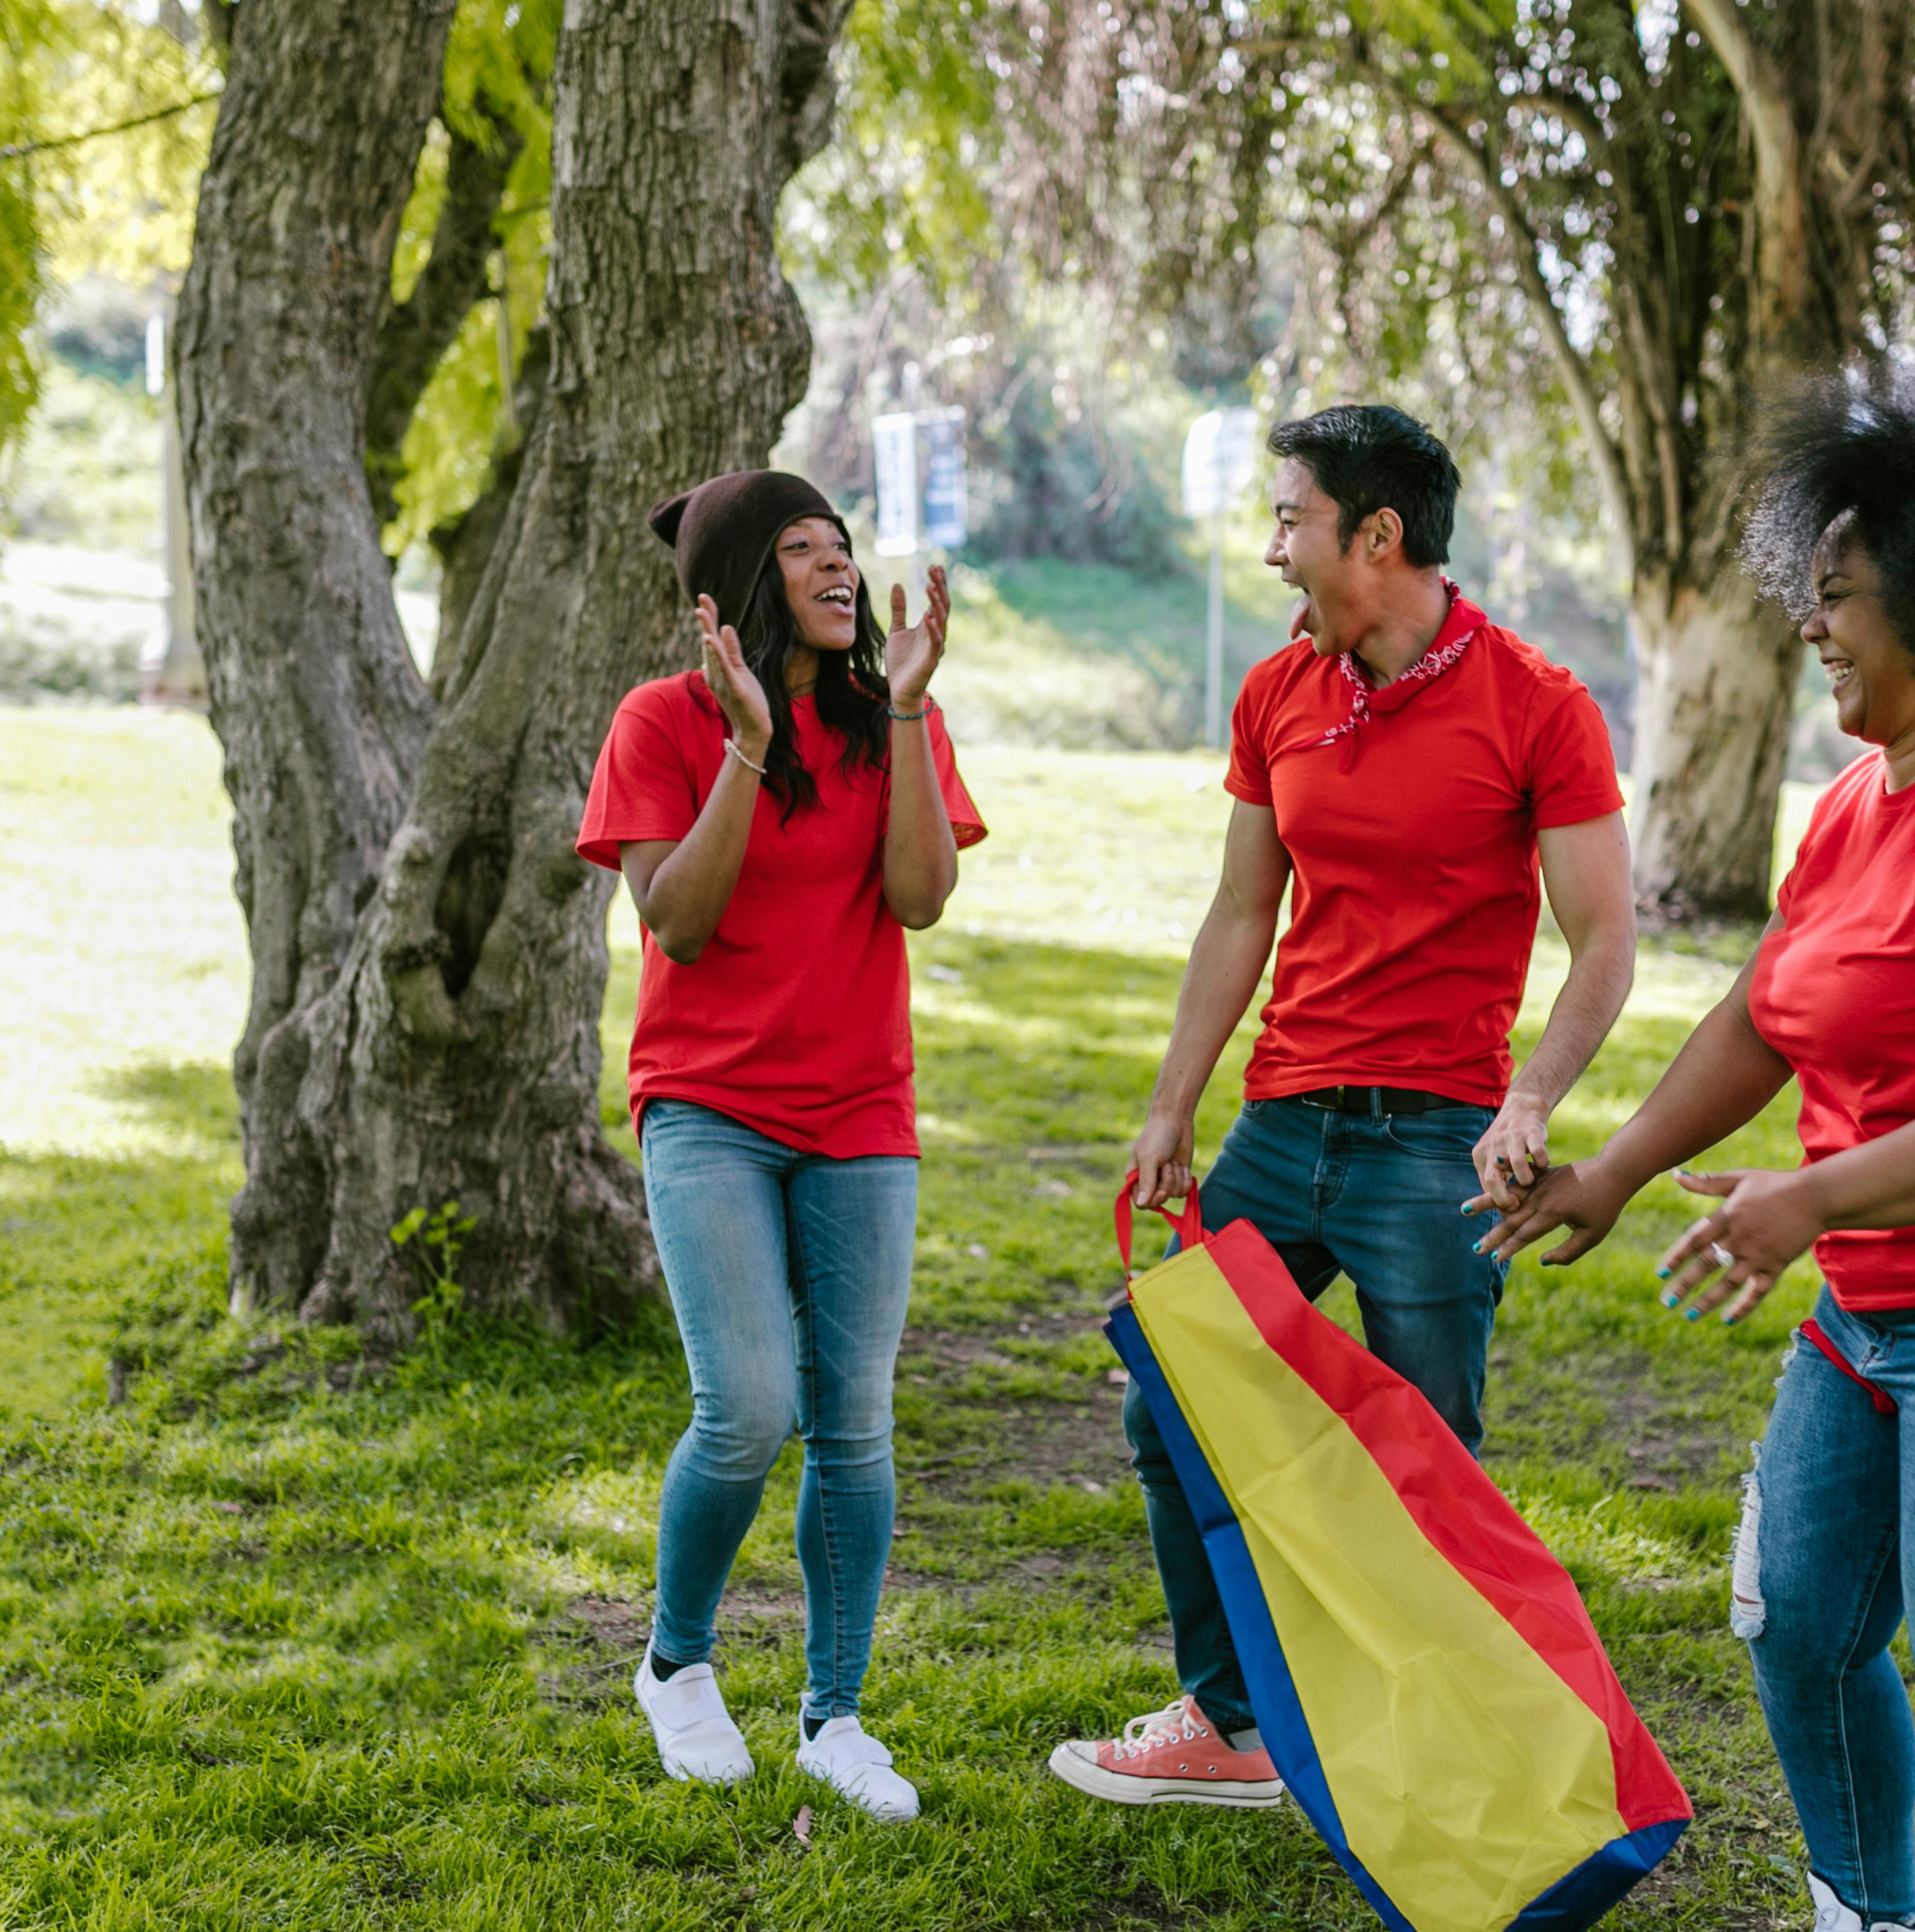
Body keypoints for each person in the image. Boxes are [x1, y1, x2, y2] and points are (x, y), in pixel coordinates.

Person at [1481, 358, 1915, 1932]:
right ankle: (1871, 1915)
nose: (1811, 621)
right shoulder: (1858, 801)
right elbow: (1765, 1008)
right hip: (1879, 1311)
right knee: (1797, 1627)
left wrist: (1810, 1194)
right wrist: (1617, 1167)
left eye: (1840, 592)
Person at [1048, 405, 1639, 1807]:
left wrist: (1529, 1100)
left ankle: (1454, 1752)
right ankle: (1231, 1718)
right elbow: (1240, 908)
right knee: (1173, 1395)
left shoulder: (1537, 701)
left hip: (1434, 1138)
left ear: (1375, 537)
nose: (1270, 551)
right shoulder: (1277, 693)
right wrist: (1169, 1104)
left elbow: (1603, 939)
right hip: (1284, 1120)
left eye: (1288, 521)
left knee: (1428, 1457)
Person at [575, 469, 985, 1821]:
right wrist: (749, 747)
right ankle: (675, 1663)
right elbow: (674, 925)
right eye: (802, 552)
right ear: (738, 592)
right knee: (749, 1404)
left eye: (843, 548)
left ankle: (834, 1716)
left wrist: (914, 707)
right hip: (706, 1109)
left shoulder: (884, 721)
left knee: (854, 1426)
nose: (837, 570)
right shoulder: (660, 722)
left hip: (860, 1111)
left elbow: (921, 899)